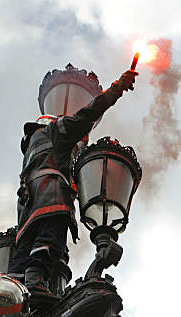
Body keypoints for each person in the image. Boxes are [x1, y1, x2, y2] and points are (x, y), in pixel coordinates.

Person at [9, 69, 138, 297]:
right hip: (51, 194)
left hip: (26, 207)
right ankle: (35, 281)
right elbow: (88, 114)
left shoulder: (32, 142)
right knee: (51, 238)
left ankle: (11, 295)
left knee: (22, 254)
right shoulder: (57, 131)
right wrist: (117, 88)